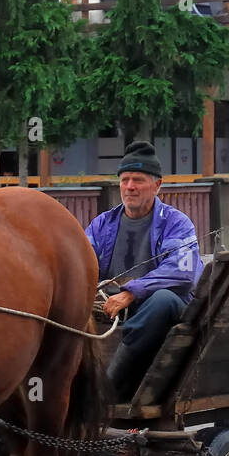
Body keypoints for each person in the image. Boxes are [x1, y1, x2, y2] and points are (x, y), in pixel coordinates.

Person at [85, 140, 203, 400]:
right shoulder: (102, 224)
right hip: (111, 307)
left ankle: (109, 390)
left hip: (164, 312)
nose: (129, 187)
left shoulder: (177, 223)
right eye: (125, 179)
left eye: (137, 179)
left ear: (157, 185)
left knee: (162, 300)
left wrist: (132, 292)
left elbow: (183, 273)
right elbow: (81, 262)